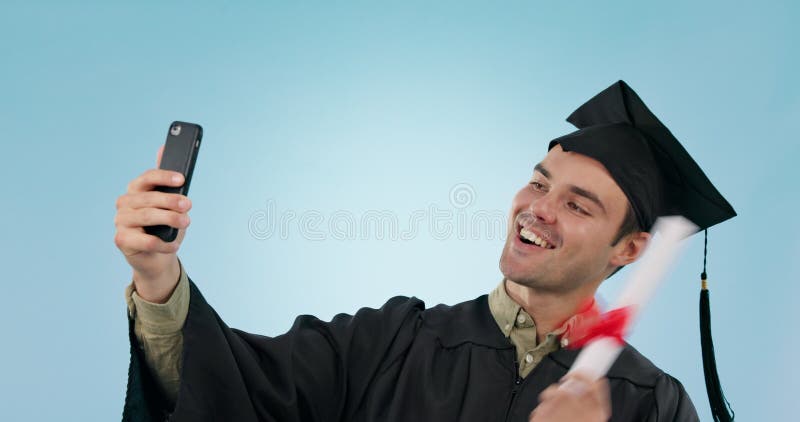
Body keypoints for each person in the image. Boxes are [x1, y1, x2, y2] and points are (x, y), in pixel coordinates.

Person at [115, 81, 735, 421]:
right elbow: (230, 391)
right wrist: (157, 276)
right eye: (540, 182)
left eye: (578, 205)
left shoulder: (651, 406)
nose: (538, 207)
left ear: (629, 249)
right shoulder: (389, 342)